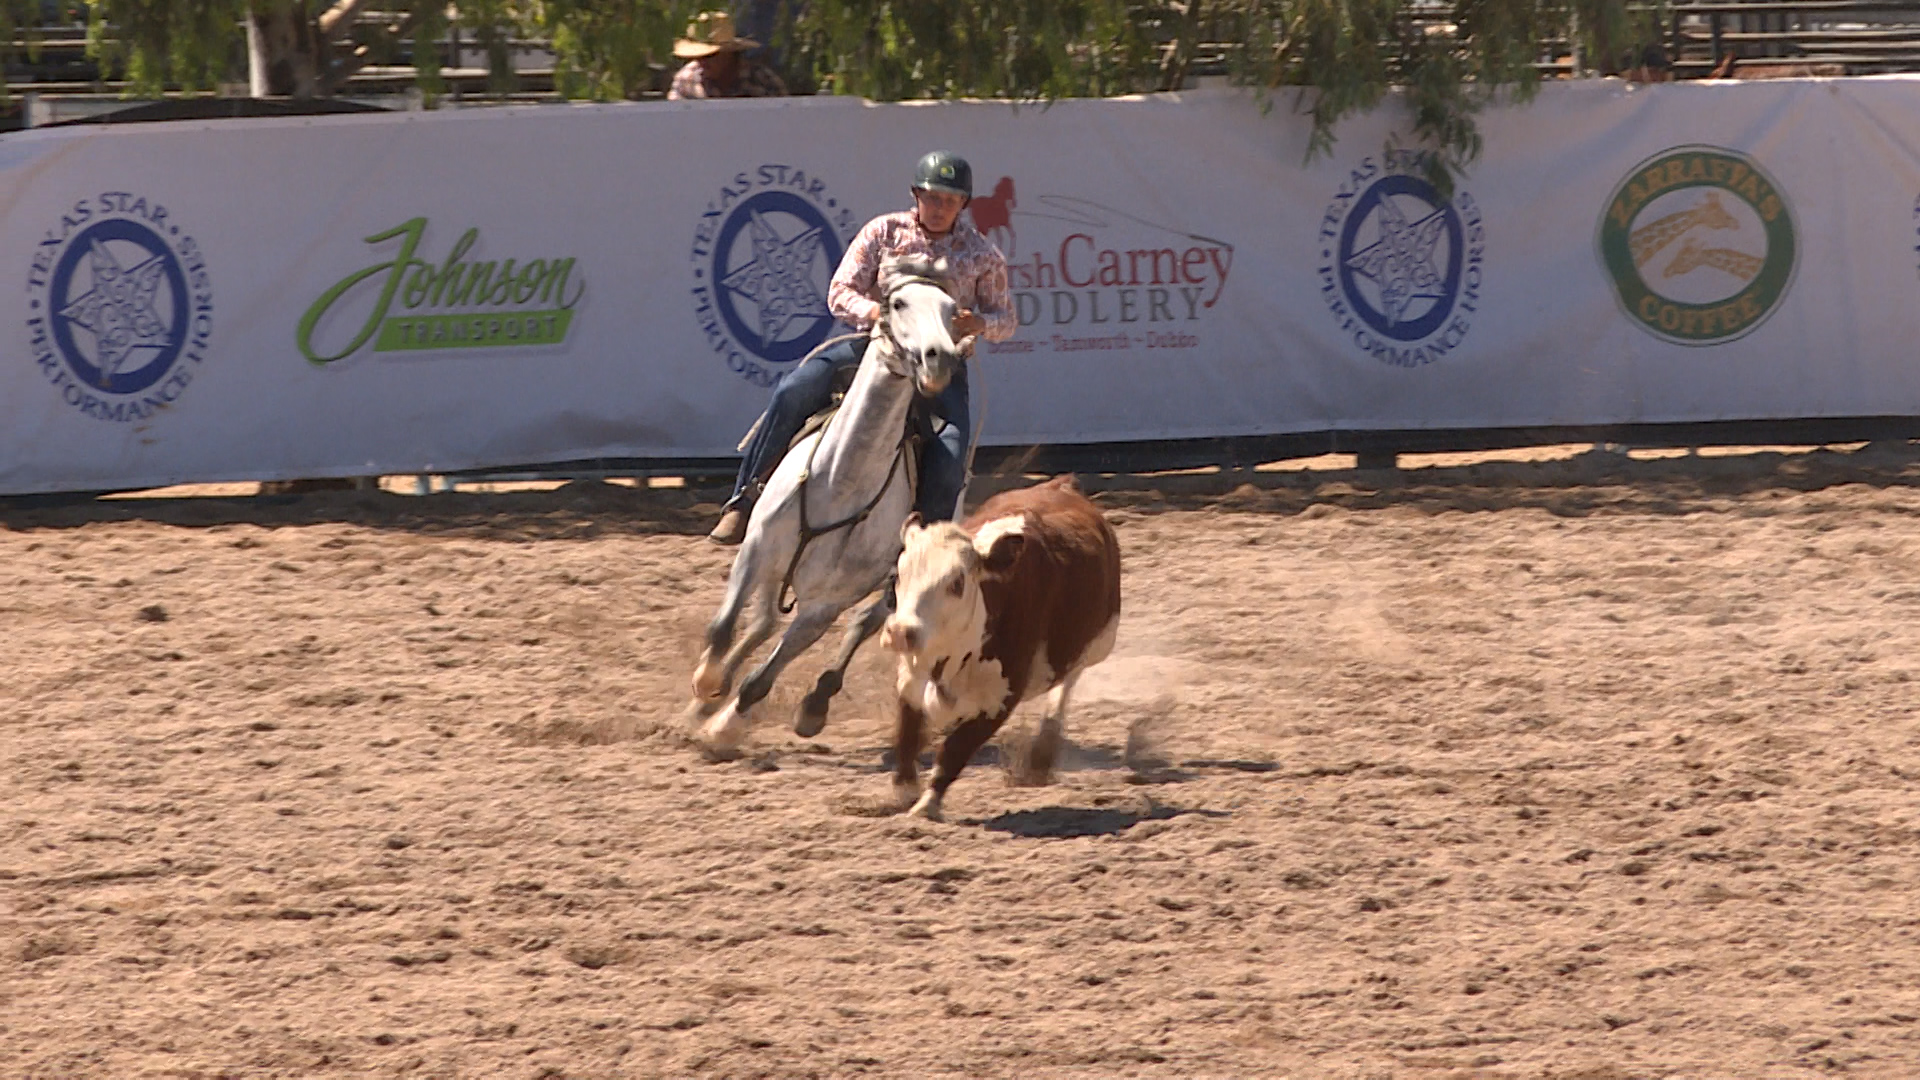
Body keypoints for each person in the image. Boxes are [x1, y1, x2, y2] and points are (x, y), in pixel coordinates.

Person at [709, 150, 1016, 545]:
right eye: (933, 197)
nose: (940, 208)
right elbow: (840, 290)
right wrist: (874, 312)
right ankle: (744, 499)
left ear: (963, 204)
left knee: (950, 455)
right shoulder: (883, 232)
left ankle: (921, 551)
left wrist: (980, 324)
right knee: (793, 391)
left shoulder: (982, 255)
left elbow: (1005, 319)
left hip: (940, 365)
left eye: (950, 200)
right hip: (877, 350)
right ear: (916, 194)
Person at [666, 11, 788, 100]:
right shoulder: (686, 79)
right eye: (697, 56)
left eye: (709, 56)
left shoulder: (762, 80)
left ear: (729, 54)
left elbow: (784, 120)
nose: (701, 62)